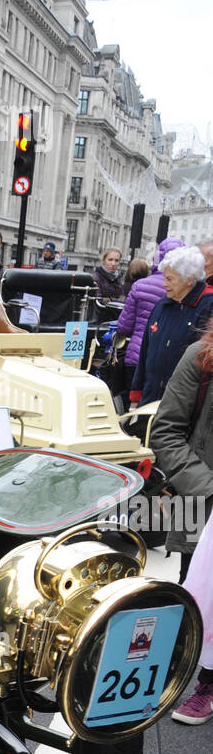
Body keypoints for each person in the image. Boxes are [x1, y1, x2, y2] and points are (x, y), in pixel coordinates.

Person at [150, 319, 213, 648]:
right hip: (199, 505)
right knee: (193, 603)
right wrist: (208, 485)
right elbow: (165, 432)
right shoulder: (200, 358)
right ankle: (182, 681)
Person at [129, 246, 213, 409]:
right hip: (150, 399)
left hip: (183, 405)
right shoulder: (163, 303)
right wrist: (135, 396)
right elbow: (146, 348)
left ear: (189, 280)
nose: (164, 284)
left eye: (170, 279)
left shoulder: (208, 305)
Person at [115, 238, 185, 386]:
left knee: (132, 406)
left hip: (136, 357)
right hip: (168, 363)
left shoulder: (140, 286)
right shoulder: (186, 290)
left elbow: (124, 327)